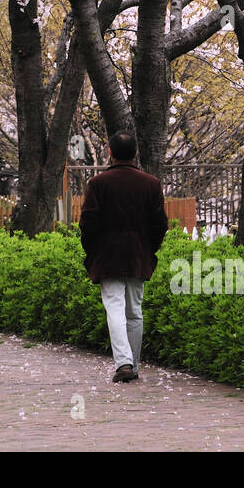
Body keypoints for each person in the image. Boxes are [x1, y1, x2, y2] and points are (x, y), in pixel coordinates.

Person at [79, 130, 169, 384]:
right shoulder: (151, 183)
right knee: (135, 312)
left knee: (115, 309)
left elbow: (88, 223)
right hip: (138, 255)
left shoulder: (98, 184)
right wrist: (149, 248)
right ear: (136, 153)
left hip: (107, 256)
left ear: (110, 152)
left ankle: (124, 363)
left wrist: (93, 250)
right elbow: (159, 223)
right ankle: (133, 364)